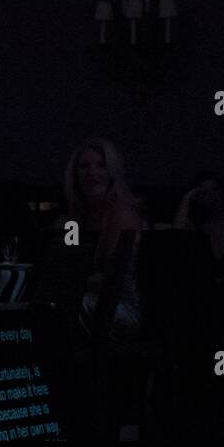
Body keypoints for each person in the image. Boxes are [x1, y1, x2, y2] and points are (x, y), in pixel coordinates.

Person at [61, 137, 144, 331]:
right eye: (84, 166)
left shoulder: (121, 213)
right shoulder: (76, 217)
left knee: (58, 308)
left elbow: (114, 280)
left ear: (112, 172)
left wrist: (70, 283)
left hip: (121, 305)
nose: (92, 172)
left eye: (101, 165)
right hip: (86, 298)